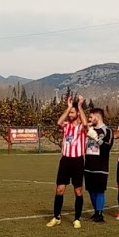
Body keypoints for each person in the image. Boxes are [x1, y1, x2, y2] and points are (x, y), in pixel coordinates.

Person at [48, 95, 87, 227]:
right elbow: (59, 122)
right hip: (65, 161)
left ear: (77, 113)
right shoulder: (66, 126)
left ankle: (77, 219)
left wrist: (80, 106)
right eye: (69, 112)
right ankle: (56, 217)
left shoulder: (81, 127)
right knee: (59, 189)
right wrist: (69, 107)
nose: (70, 115)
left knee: (78, 191)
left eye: (72, 112)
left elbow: (86, 123)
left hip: (77, 161)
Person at [83, 107, 112, 223]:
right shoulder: (89, 129)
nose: (89, 119)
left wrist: (95, 137)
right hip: (88, 165)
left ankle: (100, 214)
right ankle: (96, 212)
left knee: (100, 190)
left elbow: (106, 147)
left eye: (91, 117)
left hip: (101, 166)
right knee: (91, 190)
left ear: (98, 117)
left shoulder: (107, 131)